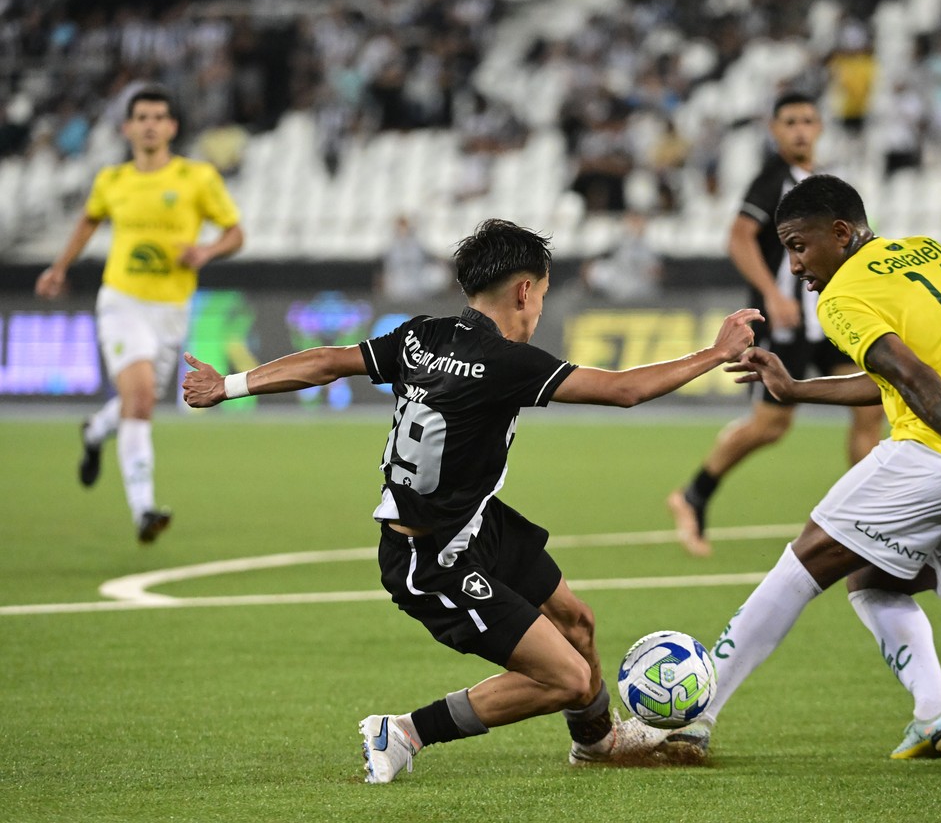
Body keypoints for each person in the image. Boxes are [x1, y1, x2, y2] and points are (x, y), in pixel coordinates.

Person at [181, 219, 761, 782]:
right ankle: (405, 732)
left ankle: (597, 744)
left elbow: (329, 360)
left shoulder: (421, 336)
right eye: (542, 296)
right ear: (526, 290)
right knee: (569, 679)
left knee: (577, 622)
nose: (537, 312)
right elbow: (624, 390)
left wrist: (228, 386)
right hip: (429, 559)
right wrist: (714, 353)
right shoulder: (508, 363)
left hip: (475, 522)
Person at [660, 175, 941, 761]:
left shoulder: (843, 296)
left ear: (842, 233)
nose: (793, 265)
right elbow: (899, 378)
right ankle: (935, 711)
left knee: (804, 561)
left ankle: (691, 720)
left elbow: (919, 382)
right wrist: (795, 389)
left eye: (798, 245)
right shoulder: (932, 254)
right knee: (872, 581)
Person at [667, 92, 884, 557]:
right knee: (770, 425)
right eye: (790, 122)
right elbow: (738, 238)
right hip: (783, 321)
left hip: (825, 318)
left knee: (872, 402)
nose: (800, 129)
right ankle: (693, 494)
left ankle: (865, 517)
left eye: (808, 120)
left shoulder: (822, 187)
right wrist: (771, 293)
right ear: (775, 130)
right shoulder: (771, 183)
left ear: (820, 126)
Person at [34, 84, 243, 542]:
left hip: (171, 309)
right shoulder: (112, 180)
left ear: (171, 126)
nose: (149, 124)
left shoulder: (197, 178)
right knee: (143, 398)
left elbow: (235, 233)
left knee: (137, 401)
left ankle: (94, 432)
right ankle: (144, 508)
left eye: (158, 117)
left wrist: (206, 252)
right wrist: (59, 267)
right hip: (122, 301)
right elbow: (89, 219)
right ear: (127, 127)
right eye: (141, 117)